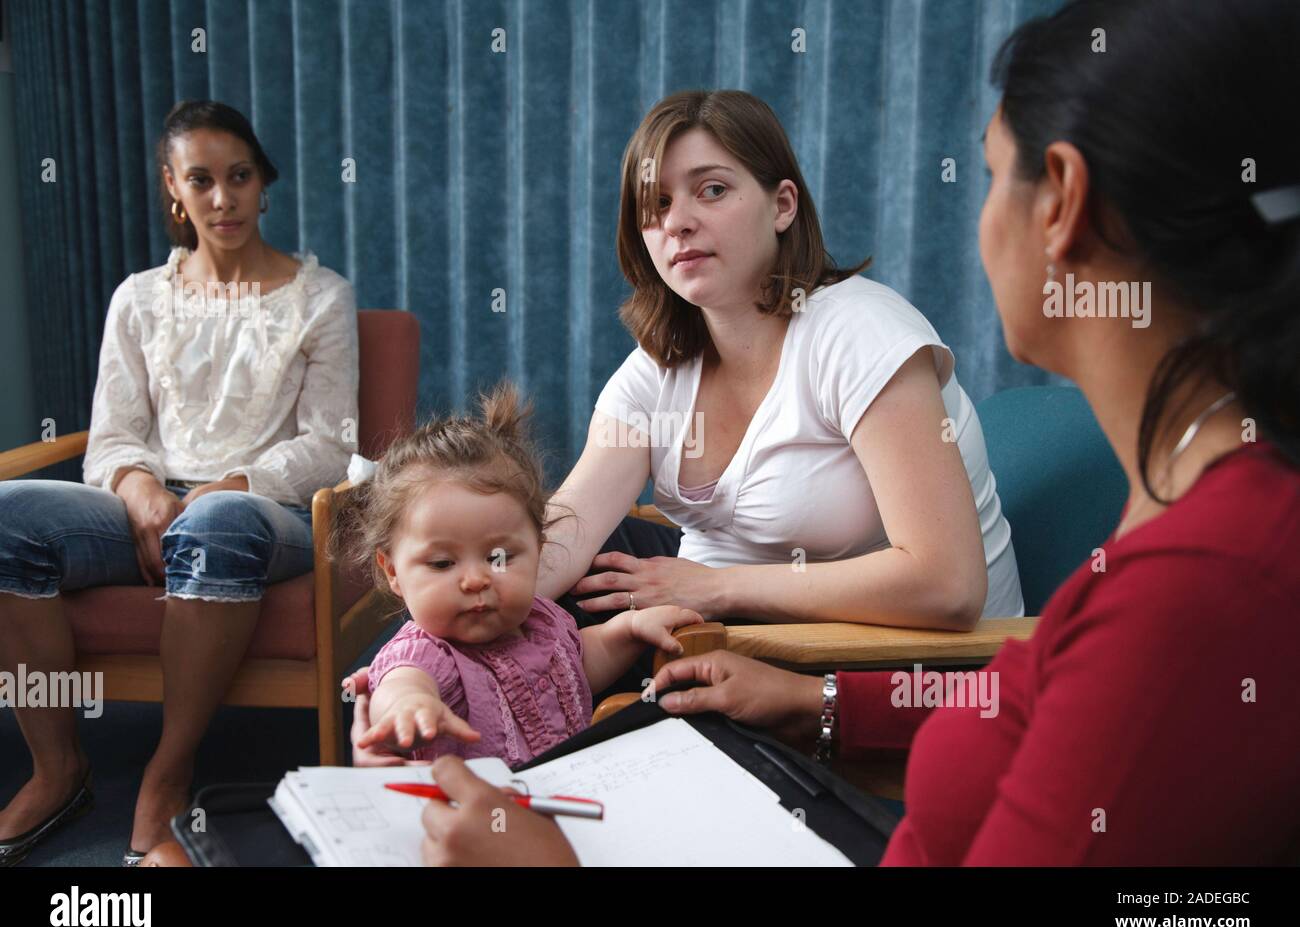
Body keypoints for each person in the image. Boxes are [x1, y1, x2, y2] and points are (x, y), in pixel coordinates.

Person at [408, 0, 1300, 865]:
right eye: (655, 205)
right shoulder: (1176, 515)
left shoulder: (1194, 578)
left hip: (849, 645)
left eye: (991, 178)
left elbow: (959, 596)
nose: (676, 221)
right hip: (789, 673)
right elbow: (553, 539)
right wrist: (416, 638)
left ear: (1061, 200)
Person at [0, 100, 359, 865]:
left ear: (265, 184)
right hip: (144, 499)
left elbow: (333, 445)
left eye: (240, 177)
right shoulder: (137, 298)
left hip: (271, 512)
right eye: (202, 179)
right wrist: (140, 493)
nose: (223, 198)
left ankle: (168, 771)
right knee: (5, 517)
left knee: (217, 522)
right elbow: (114, 437)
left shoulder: (321, 297)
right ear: (174, 188)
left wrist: (228, 484)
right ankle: (58, 768)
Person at [540, 88, 1024, 636]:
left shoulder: (859, 333)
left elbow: (948, 585)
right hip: (735, 633)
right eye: (657, 205)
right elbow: (567, 535)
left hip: (897, 665)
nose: (678, 222)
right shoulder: (659, 366)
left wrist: (716, 587)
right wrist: (447, 583)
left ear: (782, 205)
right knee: (516, 568)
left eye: (712, 189)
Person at [336, 383, 701, 768]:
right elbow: (401, 685)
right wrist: (410, 708)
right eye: (443, 564)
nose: (475, 580)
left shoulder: (545, 622)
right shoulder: (426, 654)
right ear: (393, 572)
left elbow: (579, 665)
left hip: (559, 798)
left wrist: (627, 630)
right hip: (473, 814)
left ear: (538, 551)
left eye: (499, 557)